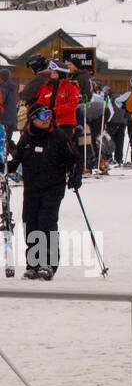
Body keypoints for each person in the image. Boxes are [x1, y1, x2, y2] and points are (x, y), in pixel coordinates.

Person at [7, 105, 80, 279]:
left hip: (53, 188)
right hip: (32, 189)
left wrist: (75, 175)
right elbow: (16, 162)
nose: (47, 118)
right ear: (32, 119)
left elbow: (74, 158)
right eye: (42, 115)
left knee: (46, 223)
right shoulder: (26, 138)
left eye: (49, 114)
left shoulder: (59, 136)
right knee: (31, 223)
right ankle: (33, 264)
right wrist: (5, 167)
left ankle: (49, 264)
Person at [0, 69, 16, 150]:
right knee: (7, 140)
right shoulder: (11, 87)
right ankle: (17, 156)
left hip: (3, 119)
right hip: (11, 119)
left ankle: (17, 156)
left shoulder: (2, 88)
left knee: (3, 141)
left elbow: (1, 103)